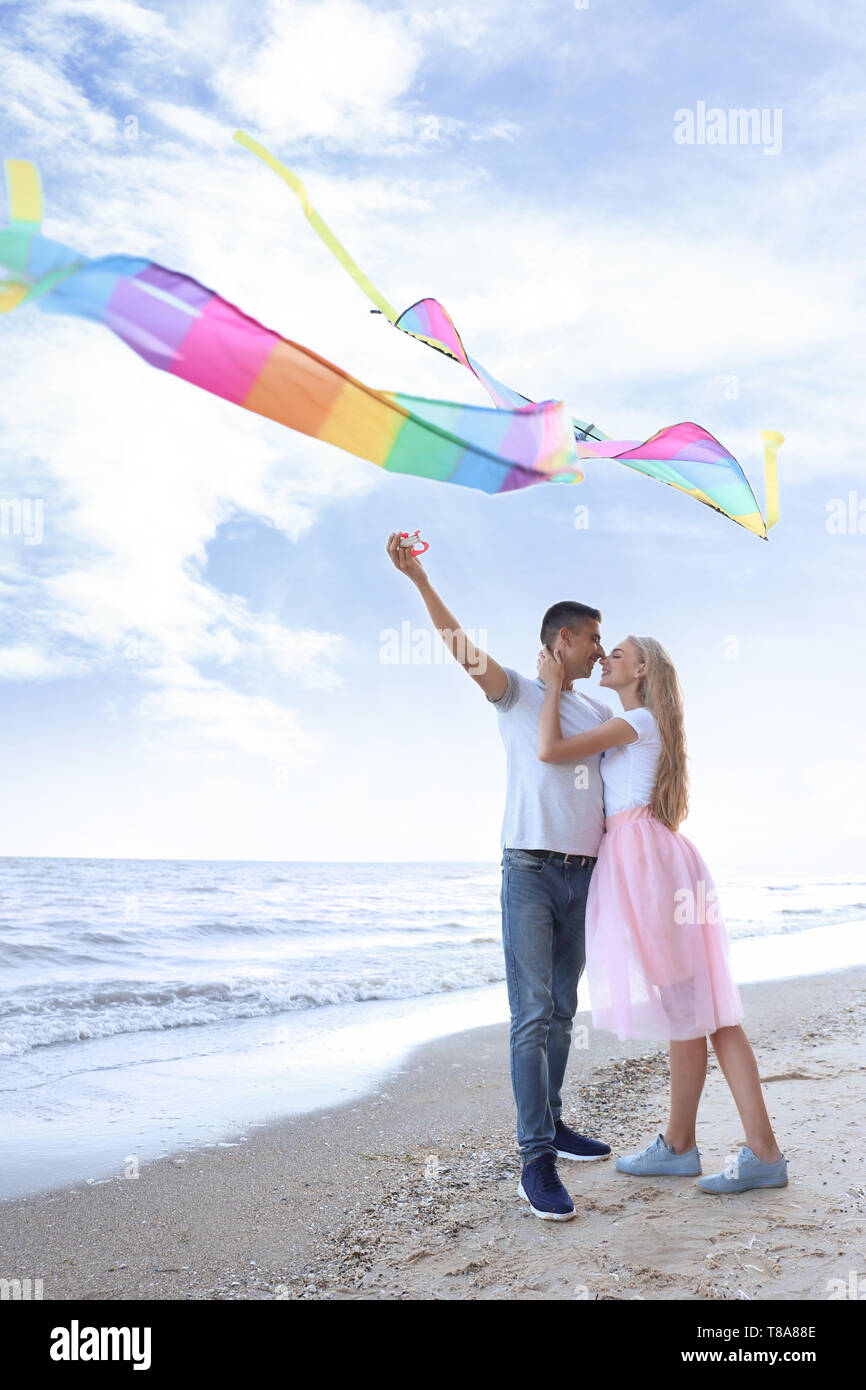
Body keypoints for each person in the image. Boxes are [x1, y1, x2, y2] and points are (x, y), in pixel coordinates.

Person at [386, 532, 612, 1222]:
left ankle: (555, 1124)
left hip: (584, 875)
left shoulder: (596, 712)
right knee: (532, 1015)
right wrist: (421, 581)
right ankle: (534, 1160)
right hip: (530, 872)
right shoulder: (516, 692)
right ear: (561, 640)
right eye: (593, 639)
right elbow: (459, 648)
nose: (601, 650)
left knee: (565, 1012)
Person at [536, 636, 787, 1194]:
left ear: (643, 668)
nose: (606, 658)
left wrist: (552, 686)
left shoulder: (640, 720)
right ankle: (683, 1144)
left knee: (704, 1010)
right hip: (648, 862)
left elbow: (551, 749)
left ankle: (747, 1150)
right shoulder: (639, 722)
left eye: (617, 653)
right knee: (693, 1008)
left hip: (648, 865)